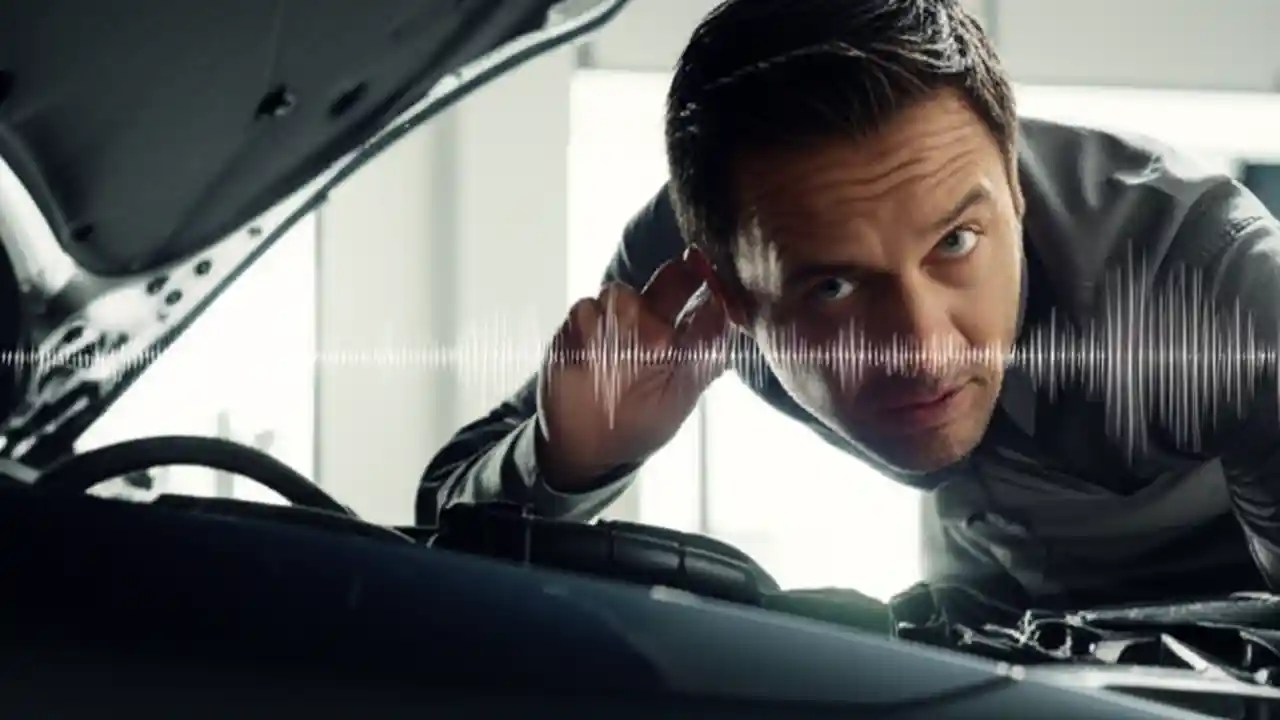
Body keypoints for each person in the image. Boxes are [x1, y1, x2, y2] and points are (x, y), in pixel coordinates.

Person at [418, 0, 1280, 617]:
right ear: (730, 291)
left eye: (954, 244)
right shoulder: (684, 268)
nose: (924, 350)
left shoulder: (1211, 281)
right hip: (981, 617)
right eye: (832, 286)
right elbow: (435, 524)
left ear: (1014, 192)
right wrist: (569, 460)